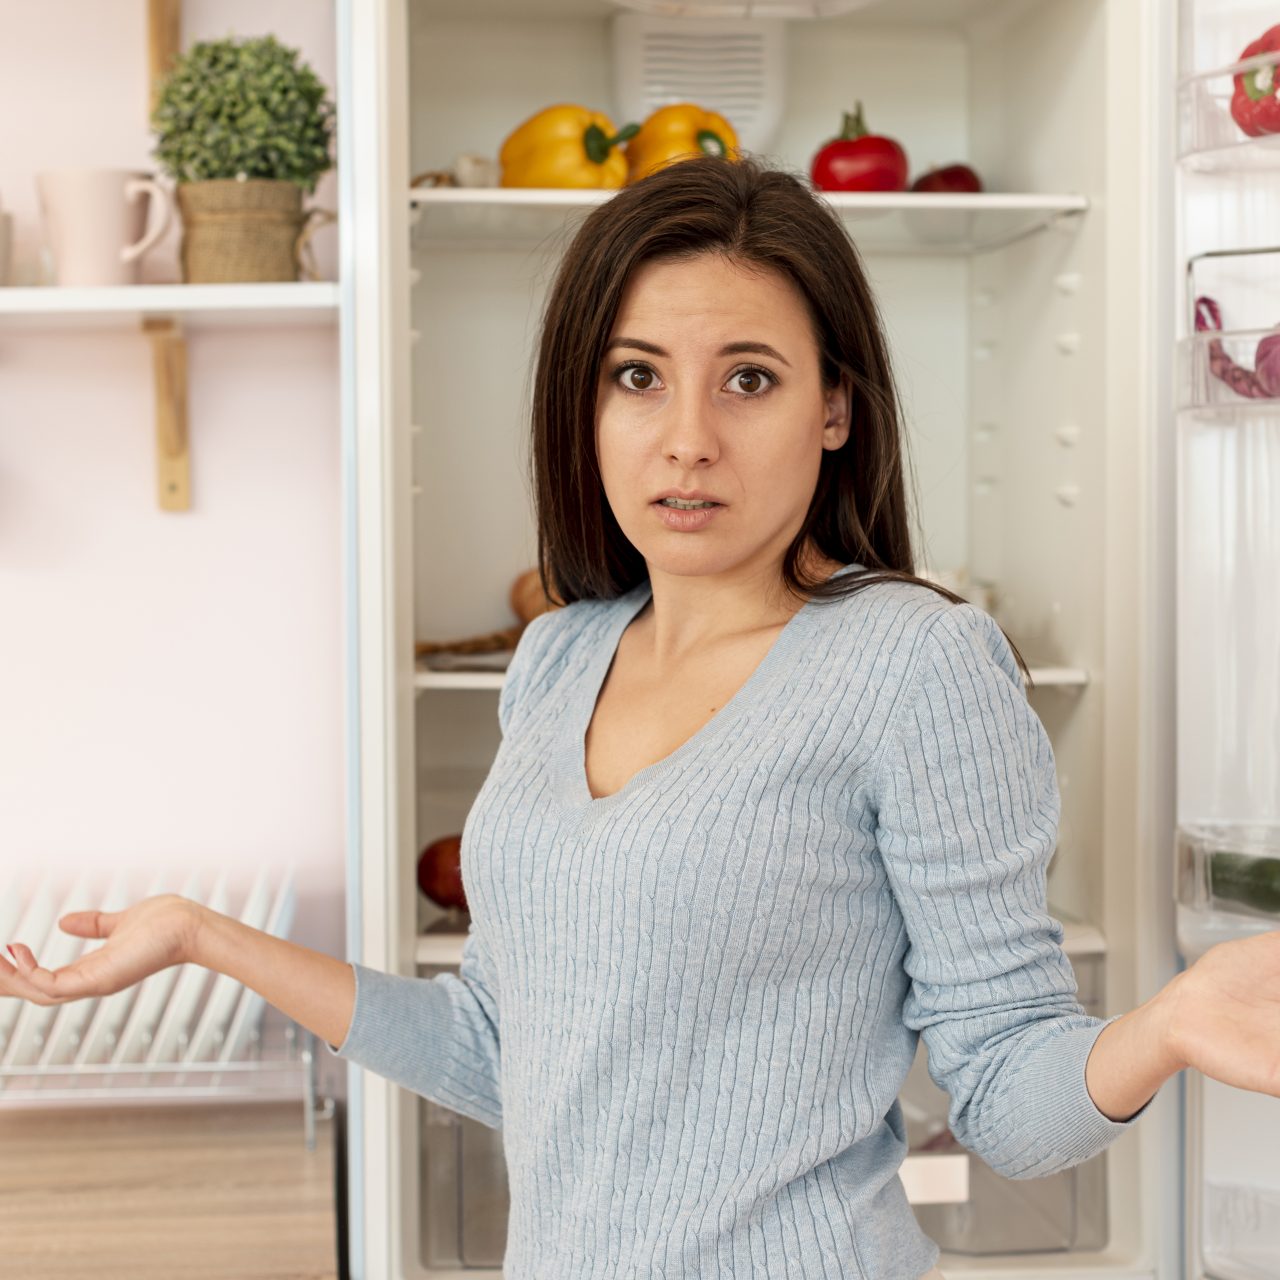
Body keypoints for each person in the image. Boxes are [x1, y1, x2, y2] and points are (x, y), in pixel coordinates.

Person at [4, 154, 1279, 1280]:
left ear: (833, 408)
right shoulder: (559, 656)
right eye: (636, 377)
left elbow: (1004, 1088)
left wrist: (1163, 1023)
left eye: (747, 379)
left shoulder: (916, 666)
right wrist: (206, 935)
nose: (686, 440)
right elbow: (497, 1048)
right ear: (587, 402)